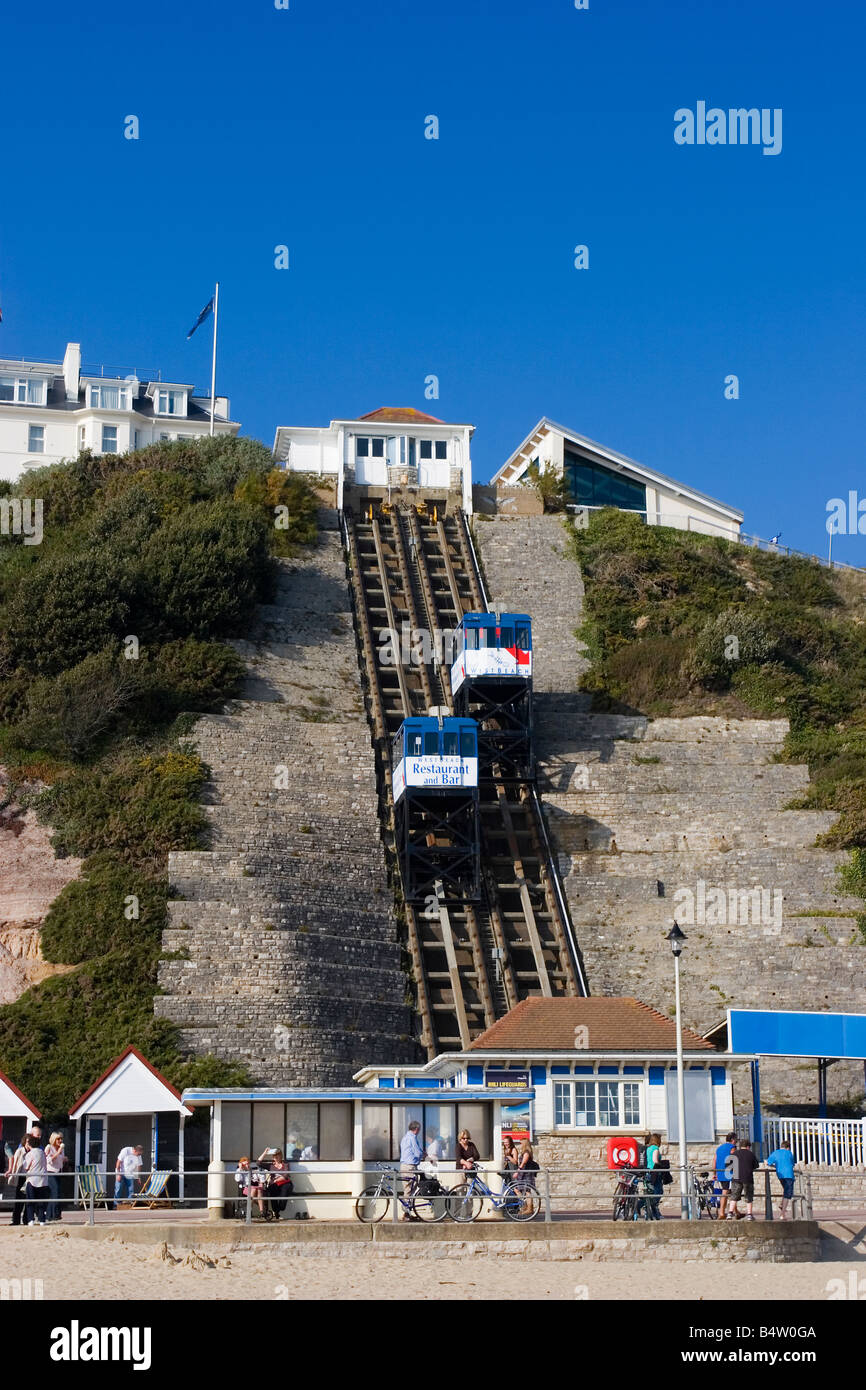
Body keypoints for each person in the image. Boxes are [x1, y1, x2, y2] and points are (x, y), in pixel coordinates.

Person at [22, 1133, 50, 1226]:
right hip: (43, 1181)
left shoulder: (30, 1154)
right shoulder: (42, 1153)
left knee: (30, 1201)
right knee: (41, 1202)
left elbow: (26, 1167)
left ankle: (31, 1220)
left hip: (32, 1180)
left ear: (30, 1145)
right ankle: (42, 1220)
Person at [765, 1140, 796, 1219]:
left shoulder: (776, 1152)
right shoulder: (789, 1153)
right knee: (788, 1193)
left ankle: (782, 1204)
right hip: (789, 1175)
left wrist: (775, 1167)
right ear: (788, 1148)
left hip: (780, 1175)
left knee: (785, 1190)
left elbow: (768, 1163)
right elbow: (792, 1164)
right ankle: (782, 1214)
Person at [728, 1138, 759, 1220]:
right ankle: (749, 1214)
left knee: (734, 1196)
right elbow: (756, 1165)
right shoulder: (751, 1154)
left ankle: (730, 1213)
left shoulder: (734, 1153)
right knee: (749, 1197)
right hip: (748, 1178)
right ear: (748, 1146)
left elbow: (728, 1165)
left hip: (736, 1177)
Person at [399, 1121, 424, 1221]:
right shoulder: (412, 1138)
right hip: (410, 1167)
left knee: (408, 1189)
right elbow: (417, 1152)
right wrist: (424, 1155)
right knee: (409, 1189)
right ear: (417, 1129)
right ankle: (406, 1213)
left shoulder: (404, 1138)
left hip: (404, 1165)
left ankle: (407, 1212)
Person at [6, 1134, 28, 1227]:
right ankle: (16, 1220)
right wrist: (12, 1172)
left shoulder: (34, 1151)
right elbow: (15, 1162)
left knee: (28, 1199)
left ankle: (26, 1219)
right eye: (27, 1142)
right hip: (20, 1177)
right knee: (19, 1198)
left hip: (29, 1177)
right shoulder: (20, 1150)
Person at [264, 1149, 292, 1221]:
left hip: (285, 1183)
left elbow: (285, 1176)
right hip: (275, 1185)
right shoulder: (270, 1166)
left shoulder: (285, 1164)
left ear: (281, 1156)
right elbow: (258, 1163)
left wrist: (276, 1180)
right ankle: (276, 1211)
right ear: (273, 1157)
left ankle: (280, 1208)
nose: (276, 1157)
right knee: (271, 1190)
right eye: (274, 1156)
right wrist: (265, 1153)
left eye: (278, 1155)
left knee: (286, 1188)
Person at [714, 1131, 737, 1221]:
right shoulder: (732, 1147)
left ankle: (736, 1212)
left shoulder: (719, 1148)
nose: (736, 1141)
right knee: (726, 1192)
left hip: (720, 1172)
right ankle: (722, 1212)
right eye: (736, 1139)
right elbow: (733, 1159)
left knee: (731, 1192)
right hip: (729, 1172)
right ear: (732, 1140)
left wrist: (715, 1173)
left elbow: (714, 1160)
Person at [44, 1132, 66, 1224]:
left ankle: (54, 1214)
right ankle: (51, 1214)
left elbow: (60, 1160)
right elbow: (48, 1160)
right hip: (50, 1172)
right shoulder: (49, 1147)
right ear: (54, 1139)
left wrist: (64, 1158)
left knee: (57, 1193)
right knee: (55, 1191)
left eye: (61, 1139)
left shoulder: (61, 1149)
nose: (60, 1141)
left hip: (58, 1172)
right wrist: (58, 1152)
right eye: (58, 1139)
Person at [514, 1140, 539, 1216]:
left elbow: (523, 1163)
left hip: (526, 1174)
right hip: (523, 1174)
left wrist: (517, 1172)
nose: (520, 1145)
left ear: (525, 1144)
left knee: (527, 1191)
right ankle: (525, 1205)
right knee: (517, 1189)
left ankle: (529, 1208)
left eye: (521, 1143)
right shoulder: (525, 1152)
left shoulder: (527, 1153)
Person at [643, 1133, 663, 1221]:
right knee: (658, 1191)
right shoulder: (655, 1148)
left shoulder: (648, 1148)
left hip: (648, 1172)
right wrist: (661, 1164)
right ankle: (651, 1208)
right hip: (655, 1172)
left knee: (650, 1192)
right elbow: (655, 1160)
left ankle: (650, 1210)